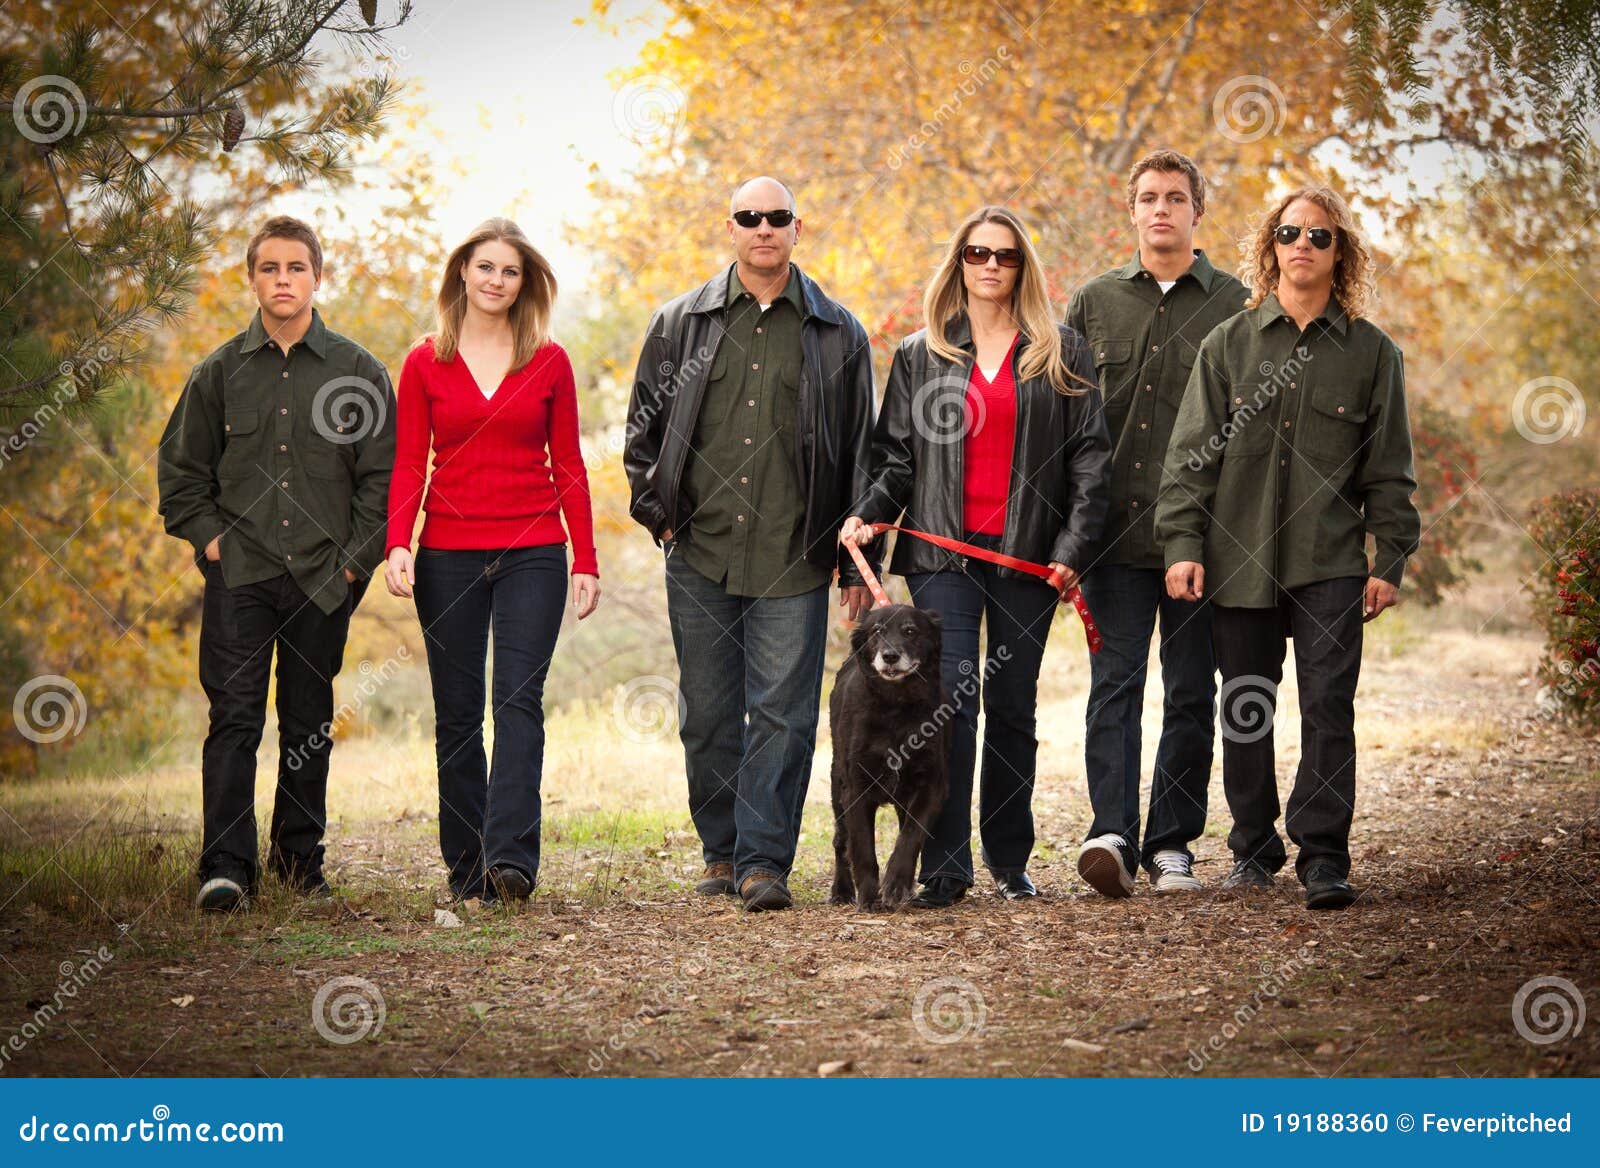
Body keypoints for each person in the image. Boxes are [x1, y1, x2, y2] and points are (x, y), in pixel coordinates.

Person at [1154, 185, 1420, 910]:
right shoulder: (1228, 345)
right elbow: (1187, 462)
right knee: (1246, 704)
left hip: (1330, 561)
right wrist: (1181, 543)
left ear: (1342, 254)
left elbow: (1390, 470)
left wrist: (1388, 559)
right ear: (1271, 247)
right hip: (1237, 559)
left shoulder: (1372, 354)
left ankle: (1324, 855)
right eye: (1290, 233)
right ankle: (1253, 848)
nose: (1303, 244)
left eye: (1320, 236)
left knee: (1329, 705)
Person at [842, 206, 1111, 907]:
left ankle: (1010, 858)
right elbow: (896, 458)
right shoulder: (920, 354)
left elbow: (1090, 460)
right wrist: (868, 514)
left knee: (1014, 707)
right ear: (958, 262)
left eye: (1006, 255)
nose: (991, 265)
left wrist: (1072, 548)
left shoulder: (1061, 352)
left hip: (1026, 559)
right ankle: (945, 866)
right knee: (950, 706)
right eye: (976, 253)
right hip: (940, 559)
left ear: (1024, 267)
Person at [624, 176, 876, 912]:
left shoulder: (840, 332)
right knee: (706, 712)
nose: (763, 228)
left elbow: (865, 450)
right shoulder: (679, 324)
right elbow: (641, 432)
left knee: (784, 715)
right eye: (749, 218)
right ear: (728, 227)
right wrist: (659, 517)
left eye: (777, 218)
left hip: (795, 557)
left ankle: (765, 862)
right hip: (699, 553)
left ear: (799, 228)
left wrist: (861, 562)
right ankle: (721, 849)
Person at [158, 215, 395, 912]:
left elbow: (382, 481)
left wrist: (354, 565)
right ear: (252, 278)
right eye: (270, 268)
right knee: (233, 719)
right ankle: (226, 869)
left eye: (296, 267)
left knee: (307, 722)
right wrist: (212, 541)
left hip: (324, 579)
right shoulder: (219, 373)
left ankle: (299, 866)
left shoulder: (356, 370)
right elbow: (181, 474)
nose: (283, 279)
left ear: (317, 277)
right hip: (241, 575)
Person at [383, 218, 600, 904]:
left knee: (517, 702)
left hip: (533, 551)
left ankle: (511, 862)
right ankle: (465, 864)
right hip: (446, 552)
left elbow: (568, 464)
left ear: (524, 283)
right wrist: (397, 543)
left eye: (509, 271)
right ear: (462, 274)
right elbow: (409, 461)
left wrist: (585, 559)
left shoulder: (549, 360)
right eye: (485, 268)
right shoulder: (424, 361)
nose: (496, 281)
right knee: (456, 711)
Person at [1065, 149, 1248, 897]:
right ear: (1132, 210)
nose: (1161, 209)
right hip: (1110, 537)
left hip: (1201, 540)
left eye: (1176, 197)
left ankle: (1171, 842)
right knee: (1115, 684)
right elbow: (1067, 423)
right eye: (1149, 197)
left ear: (1197, 211)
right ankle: (1111, 830)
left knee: (1191, 691)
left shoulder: (1236, 304)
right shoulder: (1093, 302)